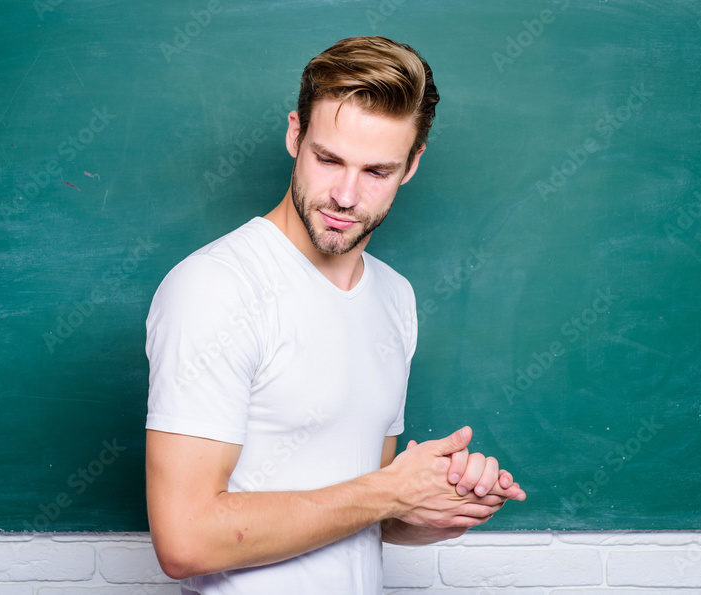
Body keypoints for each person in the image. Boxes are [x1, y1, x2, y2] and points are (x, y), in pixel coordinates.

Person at [145, 36, 525, 594]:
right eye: (328, 159)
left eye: (377, 171)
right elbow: (185, 540)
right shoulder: (216, 288)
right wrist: (388, 491)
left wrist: (436, 506)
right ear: (295, 134)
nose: (346, 196)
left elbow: (359, 515)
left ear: (412, 164)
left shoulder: (395, 297)